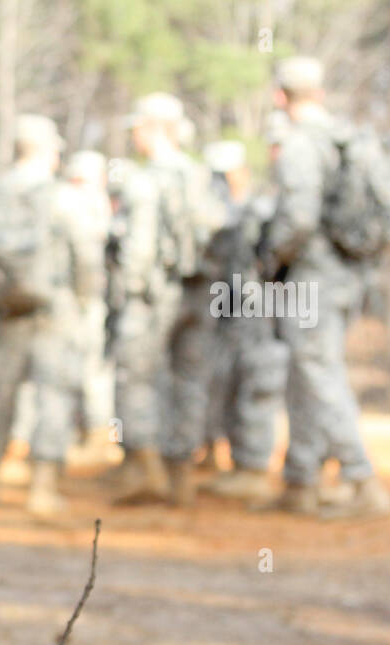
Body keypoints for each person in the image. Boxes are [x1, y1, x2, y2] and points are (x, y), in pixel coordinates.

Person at [256, 57, 390, 519]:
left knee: (317, 371)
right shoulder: (345, 138)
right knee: (306, 371)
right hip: (347, 276)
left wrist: (269, 257)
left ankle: (362, 480)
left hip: (312, 277)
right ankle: (300, 481)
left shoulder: (300, 144)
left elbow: (297, 218)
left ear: (281, 96)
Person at [0, 114, 101, 517]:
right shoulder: (63, 197)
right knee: (52, 393)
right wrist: (84, 300)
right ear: (49, 151)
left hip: (7, 310)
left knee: (0, 392)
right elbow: (86, 257)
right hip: (56, 308)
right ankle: (42, 487)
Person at [108, 92, 224, 506]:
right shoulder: (201, 176)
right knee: (190, 381)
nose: (134, 137)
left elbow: (137, 245)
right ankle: (183, 479)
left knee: (135, 376)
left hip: (154, 294)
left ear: (153, 128)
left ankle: (148, 468)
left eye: (138, 128)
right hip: (199, 294)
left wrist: (133, 291)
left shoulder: (145, 178)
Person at [199, 135, 288, 503]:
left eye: (227, 173)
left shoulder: (261, 207)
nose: (221, 182)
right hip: (228, 311)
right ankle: (234, 461)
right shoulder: (224, 212)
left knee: (257, 384)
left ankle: (253, 467)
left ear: (242, 172)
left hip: (257, 312)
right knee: (229, 384)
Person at [60, 150, 114, 456]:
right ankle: (92, 437)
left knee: (83, 370)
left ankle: (90, 436)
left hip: (75, 302)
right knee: (92, 370)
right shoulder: (88, 203)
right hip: (83, 301)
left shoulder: (60, 200)